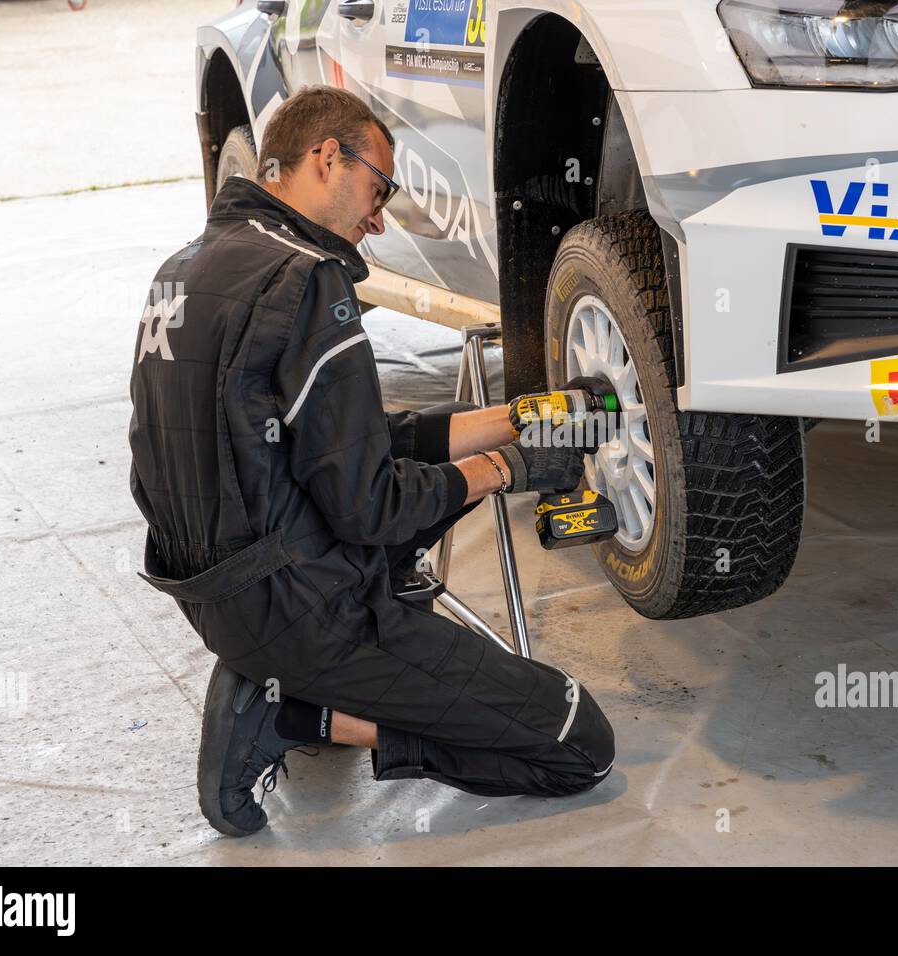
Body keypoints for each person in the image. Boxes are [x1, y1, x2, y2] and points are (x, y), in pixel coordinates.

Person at [128, 85, 615, 837]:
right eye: (377, 186)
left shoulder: (186, 267)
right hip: (311, 612)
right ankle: (299, 713)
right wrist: (510, 473)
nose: (379, 216)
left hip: (220, 597)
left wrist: (514, 422)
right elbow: (370, 507)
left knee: (444, 430)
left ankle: (294, 675)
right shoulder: (307, 281)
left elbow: (335, 444)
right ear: (328, 158)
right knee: (577, 744)